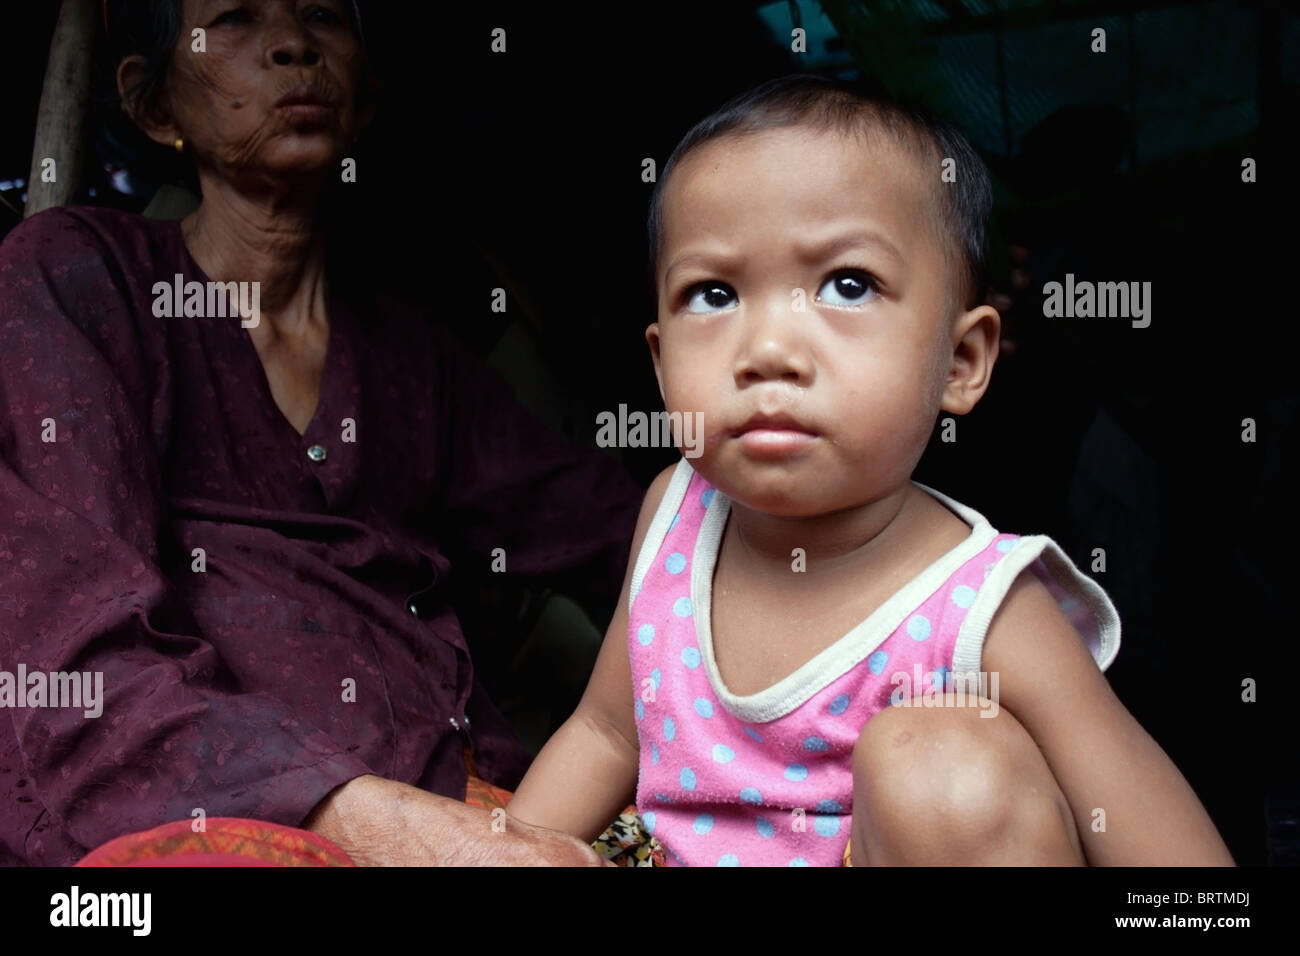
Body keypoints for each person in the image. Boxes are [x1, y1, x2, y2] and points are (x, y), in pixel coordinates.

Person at [505, 75, 1236, 866]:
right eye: (714, 294)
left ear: (961, 362)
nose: (768, 353)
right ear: (658, 362)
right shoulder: (676, 510)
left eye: (846, 285)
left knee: (944, 767)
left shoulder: (985, 611)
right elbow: (608, 732)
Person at [0, 0, 639, 866]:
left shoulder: (411, 356)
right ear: (154, 107)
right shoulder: (77, 279)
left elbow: (617, 527)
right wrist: (387, 828)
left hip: (468, 794)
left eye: (322, 17)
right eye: (232, 18)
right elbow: (77, 658)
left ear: (365, 94)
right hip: (202, 824)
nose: (292, 43)